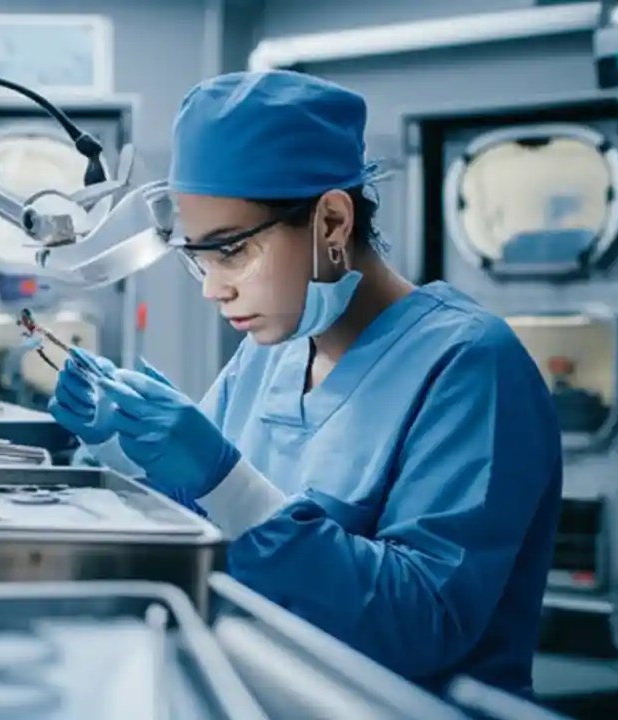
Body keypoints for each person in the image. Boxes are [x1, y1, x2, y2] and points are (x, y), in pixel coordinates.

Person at [49, 70, 562, 696]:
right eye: (198, 258)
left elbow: (421, 622)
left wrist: (221, 478)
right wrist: (124, 453)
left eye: (231, 251)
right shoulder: (270, 352)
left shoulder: (471, 364)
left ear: (331, 224)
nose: (214, 288)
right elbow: (208, 526)